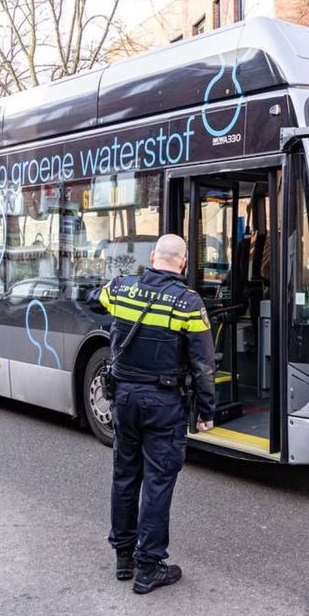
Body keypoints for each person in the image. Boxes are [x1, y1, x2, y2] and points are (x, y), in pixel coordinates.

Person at [91, 233, 216, 594]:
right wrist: (206, 411)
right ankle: (149, 566)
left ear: (153, 257)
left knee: (125, 475)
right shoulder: (188, 303)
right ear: (183, 262)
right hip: (163, 402)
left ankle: (123, 557)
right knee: (158, 480)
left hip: (124, 398)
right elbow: (203, 364)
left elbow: (93, 298)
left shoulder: (122, 287)